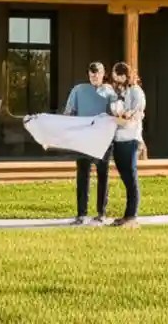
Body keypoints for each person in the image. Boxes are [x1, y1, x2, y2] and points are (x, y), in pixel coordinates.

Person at [62, 61, 116, 225]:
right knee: (82, 175)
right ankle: (81, 214)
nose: (94, 77)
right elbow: (69, 112)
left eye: (97, 74)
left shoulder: (109, 91)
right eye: (92, 74)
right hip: (83, 139)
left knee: (103, 175)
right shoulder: (78, 90)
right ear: (88, 75)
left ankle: (101, 213)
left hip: (103, 139)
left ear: (103, 74)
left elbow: (115, 111)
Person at [108, 61, 145, 228]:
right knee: (124, 176)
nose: (116, 80)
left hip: (130, 139)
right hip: (117, 139)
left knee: (131, 177)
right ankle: (126, 216)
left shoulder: (136, 92)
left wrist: (124, 117)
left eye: (119, 76)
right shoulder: (118, 93)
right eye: (115, 77)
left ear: (126, 75)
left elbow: (135, 114)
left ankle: (132, 217)